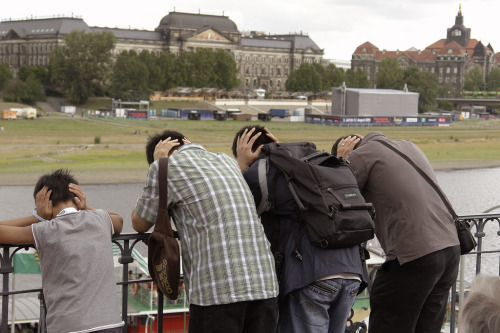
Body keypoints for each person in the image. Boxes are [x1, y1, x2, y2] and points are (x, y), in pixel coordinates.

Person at [131, 130, 279, 333]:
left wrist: (158, 164)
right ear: (187, 141)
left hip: (217, 291)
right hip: (264, 284)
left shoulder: (166, 167)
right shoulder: (225, 161)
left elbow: (139, 223)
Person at [233, 126, 368, 333]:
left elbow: (236, 211)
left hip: (312, 275)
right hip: (353, 273)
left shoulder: (260, 170)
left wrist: (242, 165)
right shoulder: (310, 161)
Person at [333, 131, 460, 333]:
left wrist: (340, 161)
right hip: (450, 249)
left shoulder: (360, 156)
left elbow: (335, 195)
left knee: (388, 315)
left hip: (416, 254)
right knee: (427, 327)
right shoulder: (409, 146)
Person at [0, 169, 124, 333]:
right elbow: (118, 220)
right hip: (110, 323)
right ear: (76, 197)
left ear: (45, 202)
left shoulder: (46, 230)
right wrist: (85, 207)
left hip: (68, 326)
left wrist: (37, 217)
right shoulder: (100, 219)